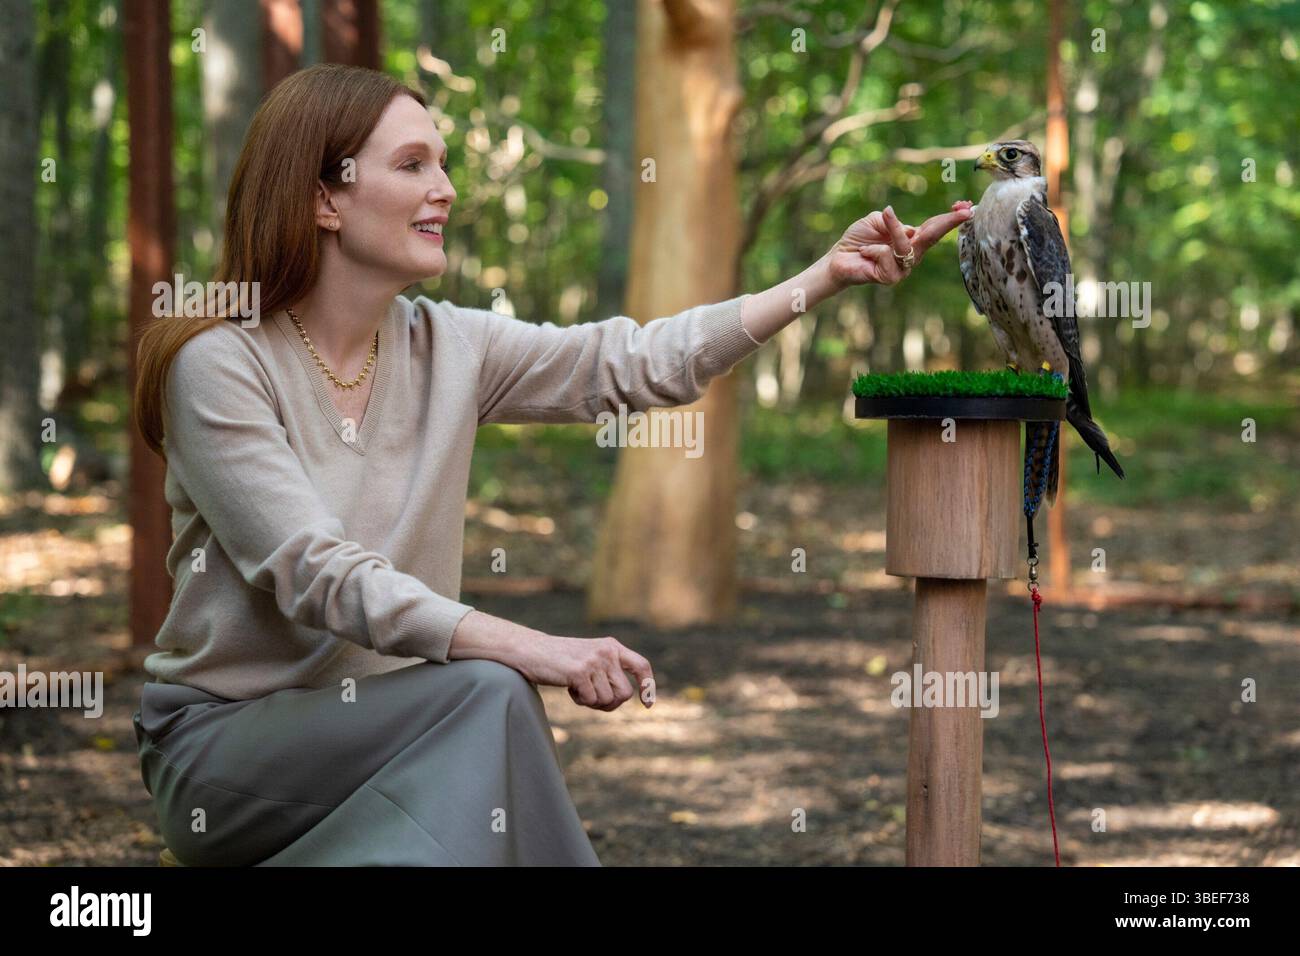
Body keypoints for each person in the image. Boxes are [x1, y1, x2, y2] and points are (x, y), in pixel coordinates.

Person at [129, 62, 973, 866]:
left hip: (410, 726)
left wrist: (819, 279)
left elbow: (635, 362)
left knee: (479, 714)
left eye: (445, 163)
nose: (446, 189)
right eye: (413, 163)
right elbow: (314, 573)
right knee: (489, 692)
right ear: (324, 197)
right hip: (227, 752)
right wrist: (539, 649)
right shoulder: (219, 364)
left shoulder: (447, 345)